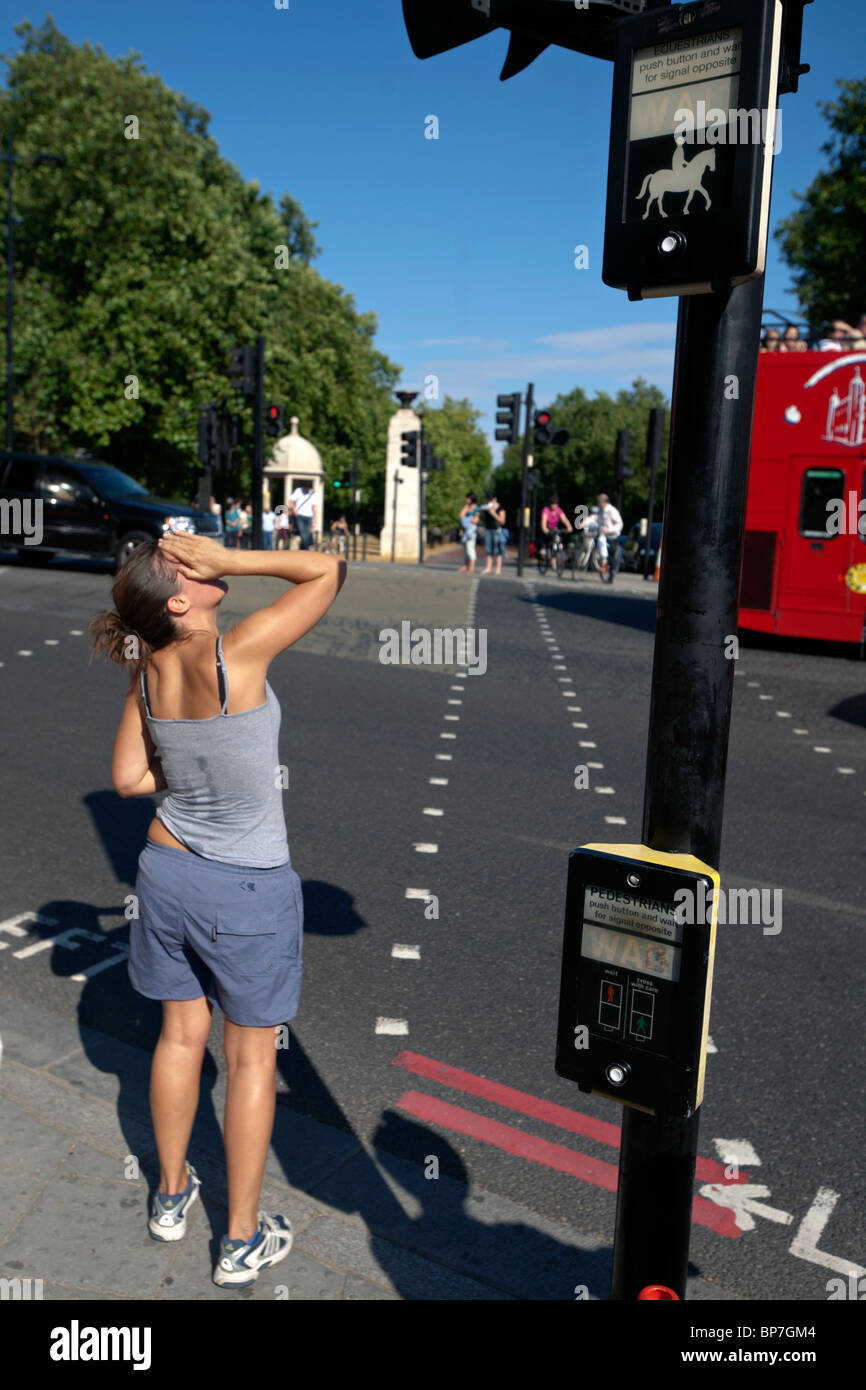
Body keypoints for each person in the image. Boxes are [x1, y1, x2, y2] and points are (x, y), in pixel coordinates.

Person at [88, 532, 346, 1287]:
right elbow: (327, 570)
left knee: (178, 1037)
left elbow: (129, 778)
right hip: (247, 887)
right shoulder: (236, 654)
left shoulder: (147, 668)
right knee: (250, 1058)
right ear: (179, 598)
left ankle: (170, 1198)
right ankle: (239, 1240)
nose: (205, 562)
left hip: (166, 869)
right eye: (191, 567)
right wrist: (234, 561)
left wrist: (190, 772)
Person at [479, 493, 507, 575]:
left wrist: (493, 513)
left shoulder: (500, 508)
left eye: (491, 500)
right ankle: (488, 568)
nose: (489, 502)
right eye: (488, 500)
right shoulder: (487, 508)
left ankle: (498, 568)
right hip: (488, 529)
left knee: (497, 549)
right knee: (488, 549)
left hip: (497, 530)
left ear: (495, 499)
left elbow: (502, 521)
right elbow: (484, 520)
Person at [596, 492, 624, 573]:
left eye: (599, 502)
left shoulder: (612, 511)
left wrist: (610, 529)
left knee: (611, 554)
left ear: (604, 502)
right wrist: (585, 523)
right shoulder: (600, 511)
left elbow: (619, 524)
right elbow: (594, 518)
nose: (598, 504)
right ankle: (603, 563)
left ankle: (612, 570)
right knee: (600, 542)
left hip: (613, 535)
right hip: (604, 535)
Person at [289, 482, 317, 551]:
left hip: (309, 516)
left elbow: (314, 506)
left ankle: (303, 549)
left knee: (307, 534)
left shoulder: (313, 494)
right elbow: (291, 501)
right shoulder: (298, 491)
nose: (307, 490)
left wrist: (315, 517)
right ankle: (305, 550)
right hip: (300, 515)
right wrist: (294, 510)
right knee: (303, 534)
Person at [458, 493, 480, 574]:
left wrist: (466, 520)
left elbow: (475, 520)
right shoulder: (466, 507)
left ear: (471, 499)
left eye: (467, 498)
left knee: (470, 548)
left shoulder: (477, 508)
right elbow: (461, 516)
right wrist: (466, 510)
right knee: (465, 549)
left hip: (471, 532)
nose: (465, 500)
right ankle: (465, 566)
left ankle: (471, 567)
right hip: (465, 531)